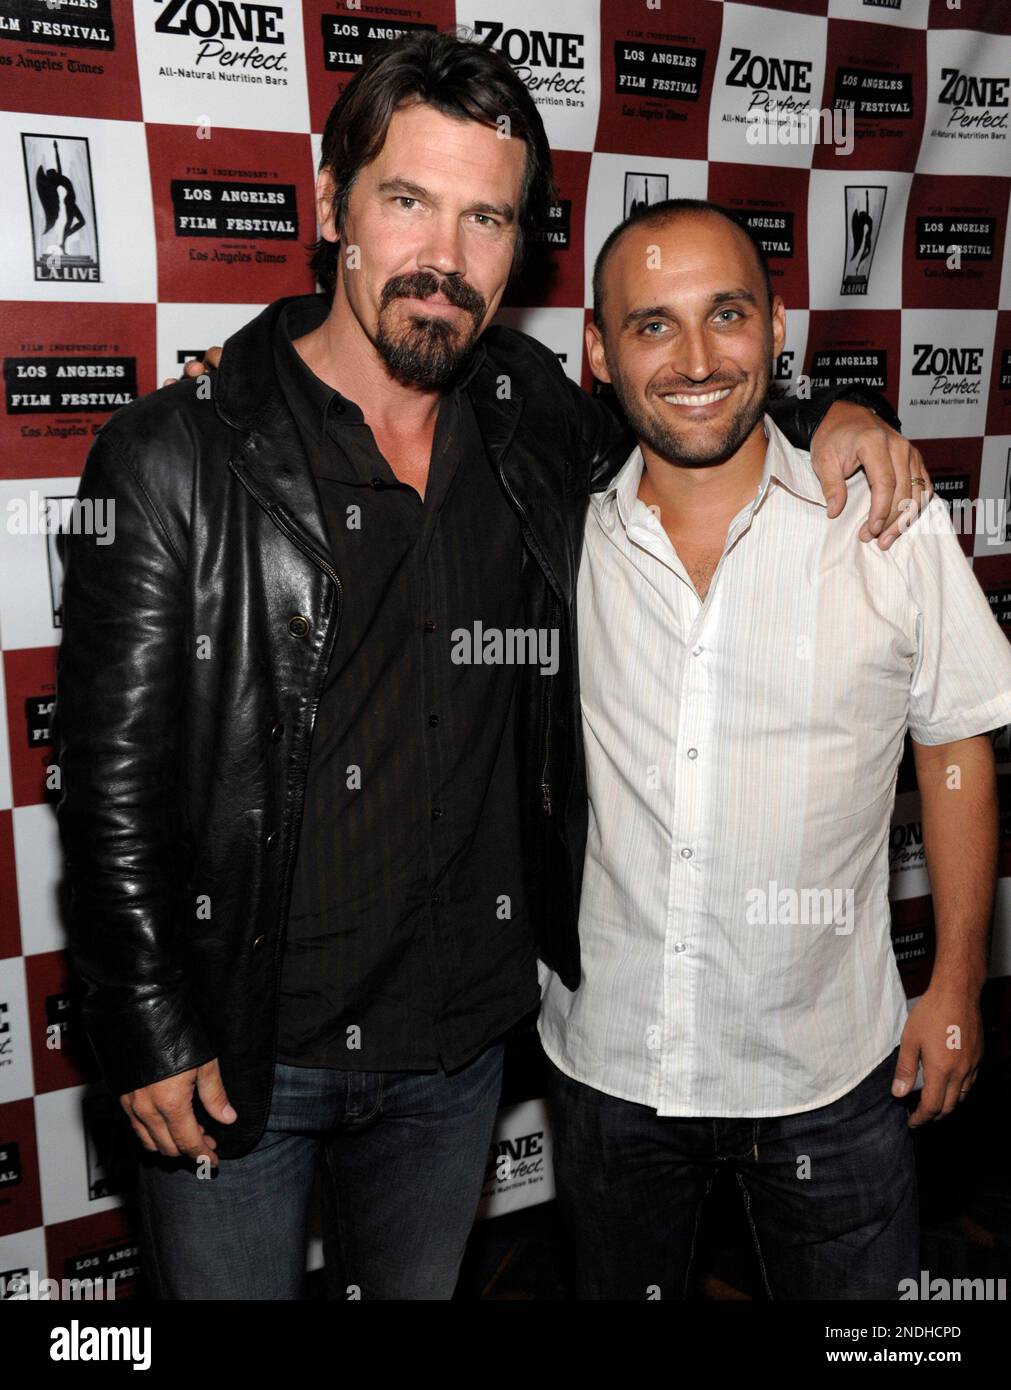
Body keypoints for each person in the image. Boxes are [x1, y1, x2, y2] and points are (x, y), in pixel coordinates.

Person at [54, 32, 926, 1301]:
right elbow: (108, 782)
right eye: (408, 202)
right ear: (330, 203)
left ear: (520, 248)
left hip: (459, 1048)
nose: (444, 260)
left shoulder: (527, 416)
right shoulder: (175, 459)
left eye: (487, 220)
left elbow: (682, 395)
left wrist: (819, 414)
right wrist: (145, 1023)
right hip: (244, 1050)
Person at [537, 198, 1011, 1300]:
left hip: (832, 1070)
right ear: (598, 354)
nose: (697, 359)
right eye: (652, 326)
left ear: (779, 327)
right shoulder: (555, 525)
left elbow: (955, 745)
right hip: (613, 1069)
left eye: (728, 316)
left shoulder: (885, 517)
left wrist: (955, 982)